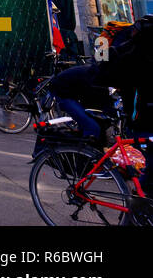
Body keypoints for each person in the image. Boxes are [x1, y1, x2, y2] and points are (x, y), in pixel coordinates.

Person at [48, 18, 152, 216]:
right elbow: (100, 73)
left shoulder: (120, 43)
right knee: (93, 128)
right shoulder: (124, 46)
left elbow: (102, 70)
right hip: (65, 92)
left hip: (131, 109)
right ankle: (92, 163)